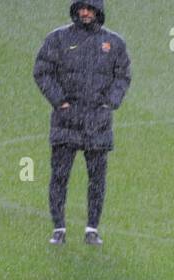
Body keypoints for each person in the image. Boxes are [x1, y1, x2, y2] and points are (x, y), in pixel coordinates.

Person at [33, 0, 131, 247]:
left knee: (97, 180)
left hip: (97, 122)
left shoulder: (114, 43)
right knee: (59, 176)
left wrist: (110, 103)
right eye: (81, 8)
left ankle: (92, 229)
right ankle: (59, 228)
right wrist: (60, 102)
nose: (85, 13)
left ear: (98, 11)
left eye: (90, 8)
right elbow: (42, 72)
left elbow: (123, 76)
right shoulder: (58, 39)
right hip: (66, 121)